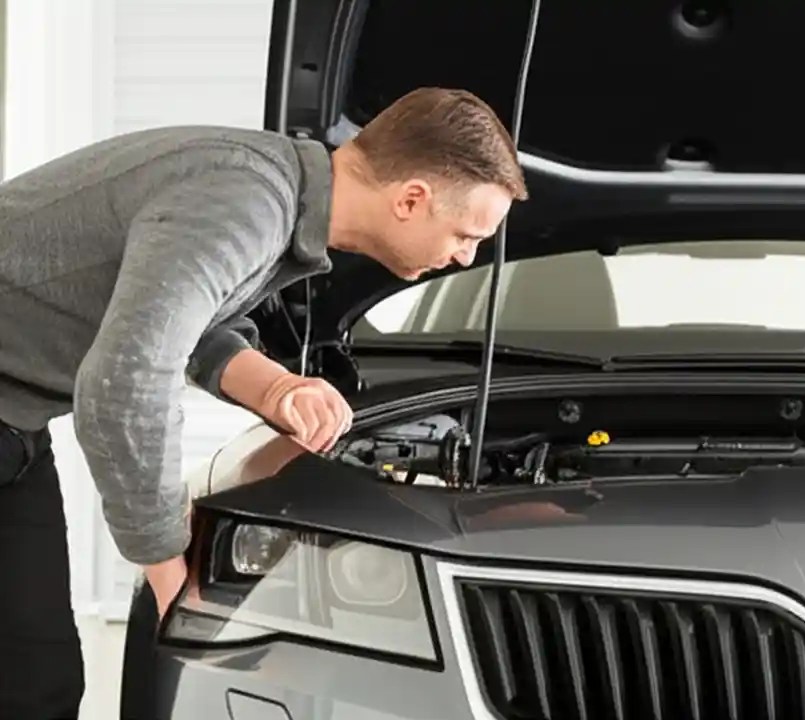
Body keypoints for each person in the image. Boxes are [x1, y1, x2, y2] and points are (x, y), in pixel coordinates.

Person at [0, 86, 527, 717]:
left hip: (16, 424)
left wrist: (276, 388)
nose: (466, 256)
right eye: (467, 235)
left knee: (35, 681)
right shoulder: (243, 205)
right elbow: (126, 380)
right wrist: (172, 577)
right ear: (411, 199)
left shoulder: (265, 192)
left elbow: (172, 320)